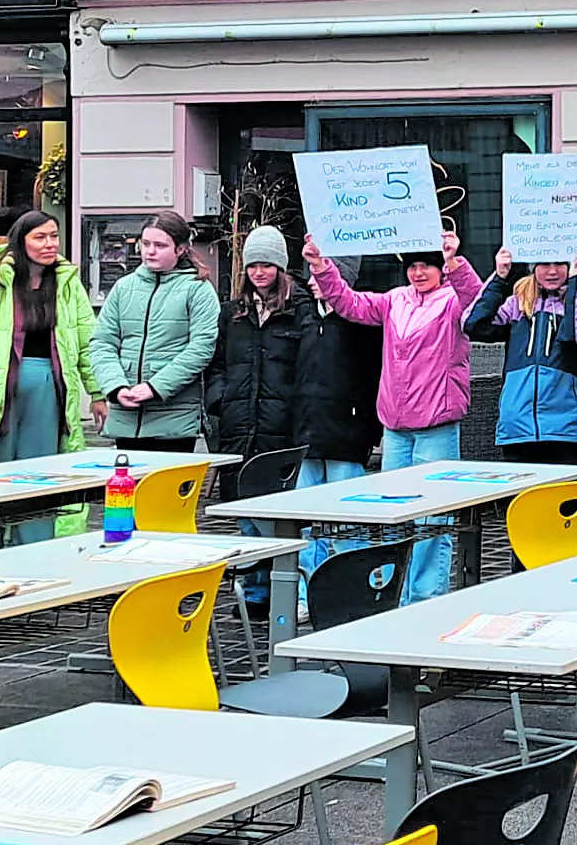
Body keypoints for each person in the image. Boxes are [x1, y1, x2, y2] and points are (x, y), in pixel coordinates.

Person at [305, 230, 480, 604]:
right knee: (395, 515)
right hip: (396, 427)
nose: (418, 273)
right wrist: (321, 267)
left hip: (436, 423)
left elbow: (477, 301)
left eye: (426, 266)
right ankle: (397, 596)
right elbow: (347, 303)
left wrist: (454, 262)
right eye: (413, 266)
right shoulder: (394, 300)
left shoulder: (452, 302)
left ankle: (425, 596)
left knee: (433, 517)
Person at [0, 209, 100, 556]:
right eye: (40, 237)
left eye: (54, 236)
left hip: (48, 385)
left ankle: (38, 550)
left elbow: (88, 339)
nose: (49, 244)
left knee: (41, 470)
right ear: (21, 240)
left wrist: (98, 391)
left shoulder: (66, 282)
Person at [206, 225, 317, 612]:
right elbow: (218, 363)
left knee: (276, 513)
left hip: (281, 424)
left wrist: (297, 415)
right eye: (253, 265)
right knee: (245, 514)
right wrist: (219, 400)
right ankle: (253, 593)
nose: (259, 272)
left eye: (267, 265)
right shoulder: (233, 312)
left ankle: (278, 590)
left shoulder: (300, 309)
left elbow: (308, 369)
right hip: (239, 422)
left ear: (280, 267)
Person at [90, 210, 220, 453]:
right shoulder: (123, 287)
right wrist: (116, 387)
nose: (150, 251)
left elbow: (201, 349)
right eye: (146, 243)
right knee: (128, 489)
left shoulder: (198, 289)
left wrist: (155, 387)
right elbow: (102, 343)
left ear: (180, 249)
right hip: (126, 415)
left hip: (173, 418)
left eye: (160, 245)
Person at [295, 253, 385, 598]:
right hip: (306, 433)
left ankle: (350, 587)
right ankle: (307, 592)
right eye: (313, 275)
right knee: (305, 519)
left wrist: (369, 429)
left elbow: (374, 376)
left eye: (323, 274)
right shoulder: (304, 318)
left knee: (348, 517)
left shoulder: (362, 324)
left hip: (347, 434)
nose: (314, 282)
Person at [467, 250, 577, 464]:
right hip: (518, 424)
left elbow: (576, 334)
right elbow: (474, 324)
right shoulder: (516, 304)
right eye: (544, 264)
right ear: (533, 268)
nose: (552, 271)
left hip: (564, 427)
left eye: (559, 264)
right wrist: (499, 278)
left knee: (563, 496)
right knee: (521, 497)